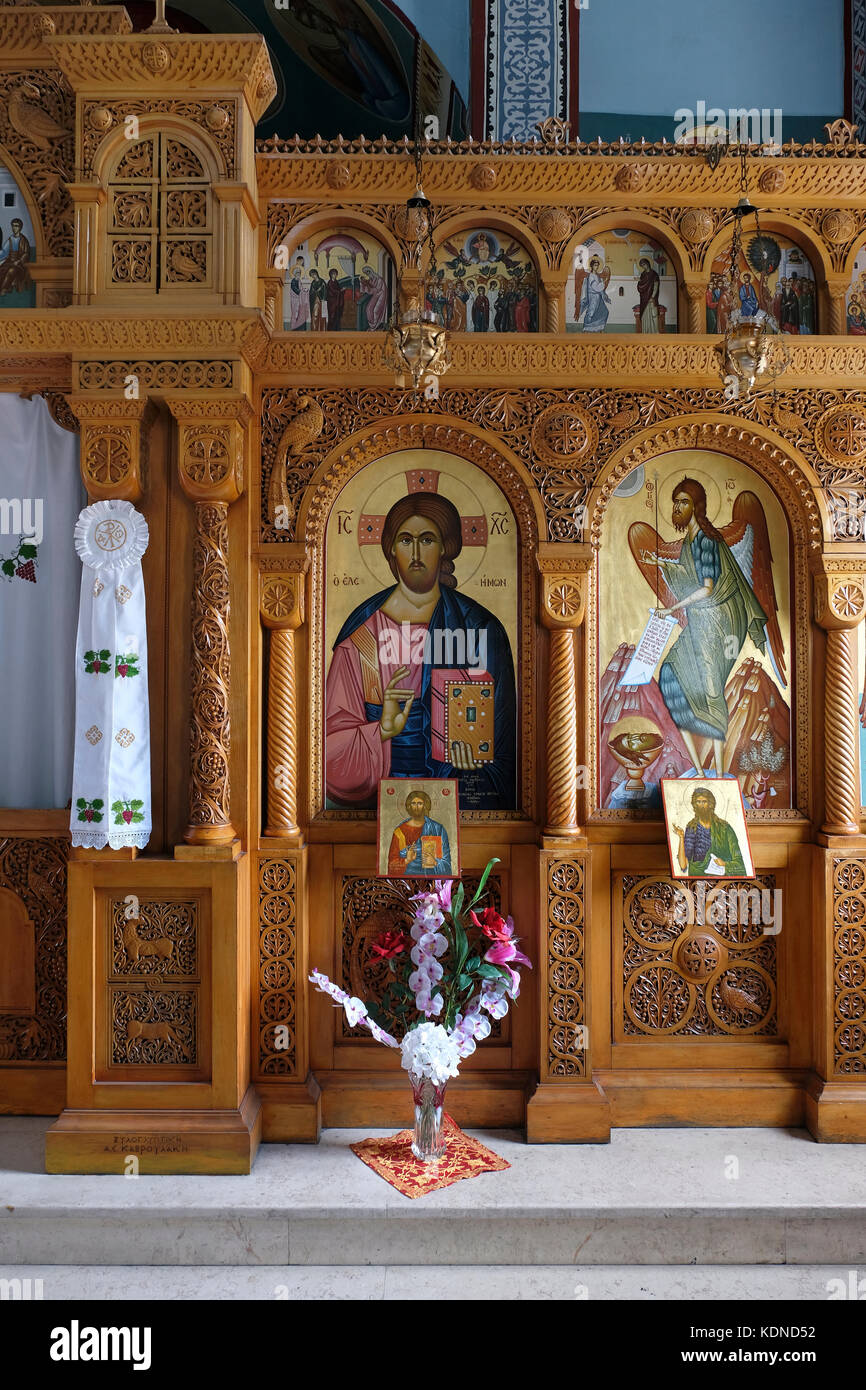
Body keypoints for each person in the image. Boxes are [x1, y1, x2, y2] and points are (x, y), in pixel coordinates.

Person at [325, 491, 517, 810]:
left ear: (445, 547)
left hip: (455, 802)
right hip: (376, 800)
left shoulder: (480, 628)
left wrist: (474, 768)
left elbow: (507, 748)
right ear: (390, 548)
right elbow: (330, 747)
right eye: (405, 540)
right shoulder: (361, 633)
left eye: (427, 540)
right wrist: (381, 731)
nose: (415, 553)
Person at [652, 478, 772, 780]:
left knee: (711, 692)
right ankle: (700, 771)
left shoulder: (707, 540)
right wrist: (664, 565)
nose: (677, 508)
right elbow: (690, 578)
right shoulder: (689, 542)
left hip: (716, 623)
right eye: (675, 502)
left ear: (696, 506)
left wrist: (670, 609)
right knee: (670, 674)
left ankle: (718, 774)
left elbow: (707, 588)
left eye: (683, 502)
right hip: (699, 620)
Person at [672, 786, 747, 876]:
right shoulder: (692, 828)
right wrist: (681, 837)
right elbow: (683, 865)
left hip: (721, 879)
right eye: (698, 802)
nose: (701, 805)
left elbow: (739, 863)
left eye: (704, 802)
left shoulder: (725, 828)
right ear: (695, 805)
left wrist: (725, 864)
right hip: (697, 879)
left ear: (711, 804)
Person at [387, 788, 452, 876]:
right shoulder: (400, 832)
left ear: (425, 806)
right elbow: (392, 865)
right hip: (407, 882)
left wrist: (435, 862)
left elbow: (447, 864)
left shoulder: (438, 829)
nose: (416, 807)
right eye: (413, 803)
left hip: (431, 880)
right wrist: (407, 860)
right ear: (409, 806)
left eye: (420, 803)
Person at [578, 255, 611, 331]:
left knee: (604, 311)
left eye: (597, 265)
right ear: (592, 266)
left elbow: (600, 289)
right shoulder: (591, 276)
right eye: (595, 265)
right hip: (593, 296)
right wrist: (603, 282)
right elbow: (596, 287)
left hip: (598, 297)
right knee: (591, 312)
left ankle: (598, 327)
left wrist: (605, 296)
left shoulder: (597, 276)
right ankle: (586, 327)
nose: (597, 267)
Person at [0, 218, 31, 295]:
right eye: (13, 226)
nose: (14, 228)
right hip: (9, 261)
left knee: (11, 271)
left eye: (16, 226)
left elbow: (26, 254)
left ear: (20, 227)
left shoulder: (24, 240)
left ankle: (4, 289)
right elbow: (4, 252)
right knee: (1, 270)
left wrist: (19, 261)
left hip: (19, 264)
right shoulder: (10, 239)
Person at [637, 256, 661, 332]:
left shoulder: (654, 274)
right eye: (642, 265)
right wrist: (639, 283)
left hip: (651, 298)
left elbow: (656, 286)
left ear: (648, 263)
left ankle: (655, 332)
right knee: (645, 315)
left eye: (644, 264)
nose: (644, 266)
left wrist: (652, 296)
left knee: (654, 314)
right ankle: (645, 331)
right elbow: (641, 286)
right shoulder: (643, 275)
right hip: (644, 298)